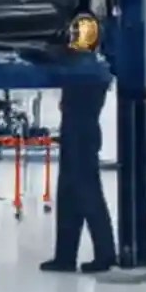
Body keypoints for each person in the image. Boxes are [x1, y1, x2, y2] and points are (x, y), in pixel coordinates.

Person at [41, 78, 116, 273]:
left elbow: (78, 50)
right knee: (68, 193)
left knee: (87, 191)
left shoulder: (89, 50)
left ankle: (105, 254)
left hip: (81, 128)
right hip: (74, 125)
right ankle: (65, 256)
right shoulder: (84, 56)